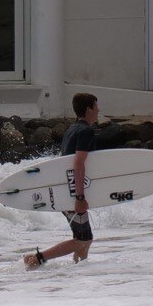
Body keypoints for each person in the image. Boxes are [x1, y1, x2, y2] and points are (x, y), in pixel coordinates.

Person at [25, 93, 100, 270]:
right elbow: (78, 163)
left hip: (64, 188)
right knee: (83, 239)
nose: (98, 110)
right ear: (89, 109)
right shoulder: (86, 131)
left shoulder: (72, 129)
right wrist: (80, 197)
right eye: (96, 106)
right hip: (73, 191)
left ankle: (79, 271)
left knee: (85, 239)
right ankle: (36, 258)